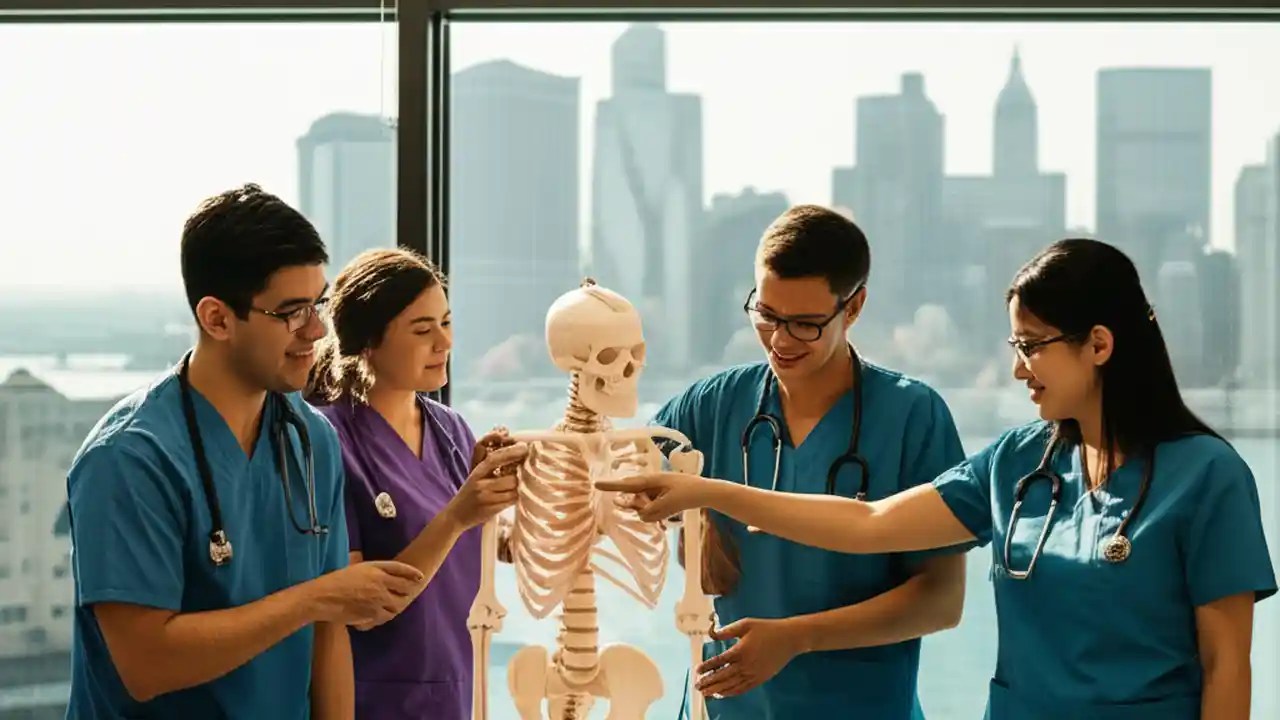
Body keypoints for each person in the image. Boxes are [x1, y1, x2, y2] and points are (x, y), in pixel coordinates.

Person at [605, 237, 1278, 720]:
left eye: (1032, 345)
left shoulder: (1207, 478)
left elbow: (1228, 668)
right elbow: (872, 523)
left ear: (1098, 345)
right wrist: (710, 496)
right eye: (1016, 346)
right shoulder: (1016, 463)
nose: (1018, 368)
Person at [64, 184, 428, 719]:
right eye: (292, 312)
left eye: (319, 302)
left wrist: (324, 602)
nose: (318, 329)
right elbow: (145, 664)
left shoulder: (312, 442)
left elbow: (329, 637)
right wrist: (314, 598)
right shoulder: (129, 459)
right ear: (217, 319)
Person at [647, 205, 967, 719]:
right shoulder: (713, 405)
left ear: (854, 306)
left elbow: (941, 600)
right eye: (767, 316)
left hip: (860, 706)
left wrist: (798, 637)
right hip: (727, 706)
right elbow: (626, 483)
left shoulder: (913, 417)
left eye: (805, 324)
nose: (780, 340)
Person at [306, 248, 528, 720]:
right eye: (423, 331)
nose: (444, 343)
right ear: (367, 341)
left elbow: (482, 553)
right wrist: (458, 515)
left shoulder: (452, 432)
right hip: (374, 701)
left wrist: (500, 501)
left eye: (446, 323)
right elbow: (363, 608)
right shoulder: (327, 441)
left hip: (455, 692)